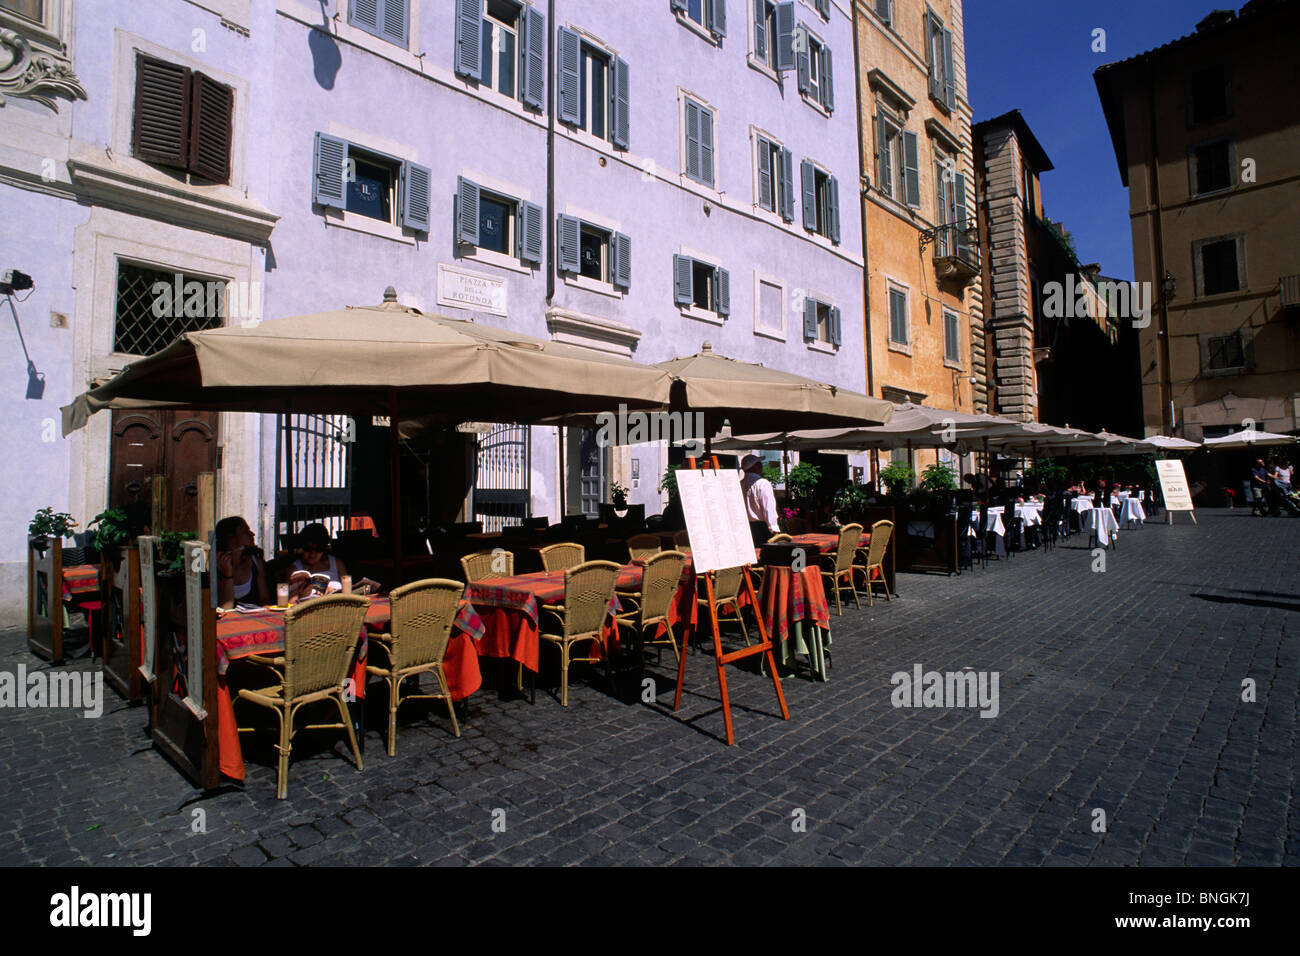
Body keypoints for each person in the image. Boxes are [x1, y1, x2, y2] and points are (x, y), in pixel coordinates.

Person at [215, 515, 271, 609]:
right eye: (245, 532)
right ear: (231, 538)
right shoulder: (216, 566)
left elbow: (265, 600)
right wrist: (227, 575)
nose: (252, 534)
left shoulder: (256, 563)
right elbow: (224, 606)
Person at [285, 523, 350, 600]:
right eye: (308, 549)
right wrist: (301, 595)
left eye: (318, 549)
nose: (312, 554)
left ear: (324, 548)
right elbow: (289, 601)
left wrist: (333, 591)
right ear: (302, 548)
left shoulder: (336, 563)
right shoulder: (294, 569)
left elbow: (348, 591)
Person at [740, 454, 781, 544]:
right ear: (755, 467)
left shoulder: (740, 484)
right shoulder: (762, 483)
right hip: (761, 528)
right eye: (760, 464)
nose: (761, 466)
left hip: (745, 528)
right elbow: (768, 508)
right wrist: (774, 529)